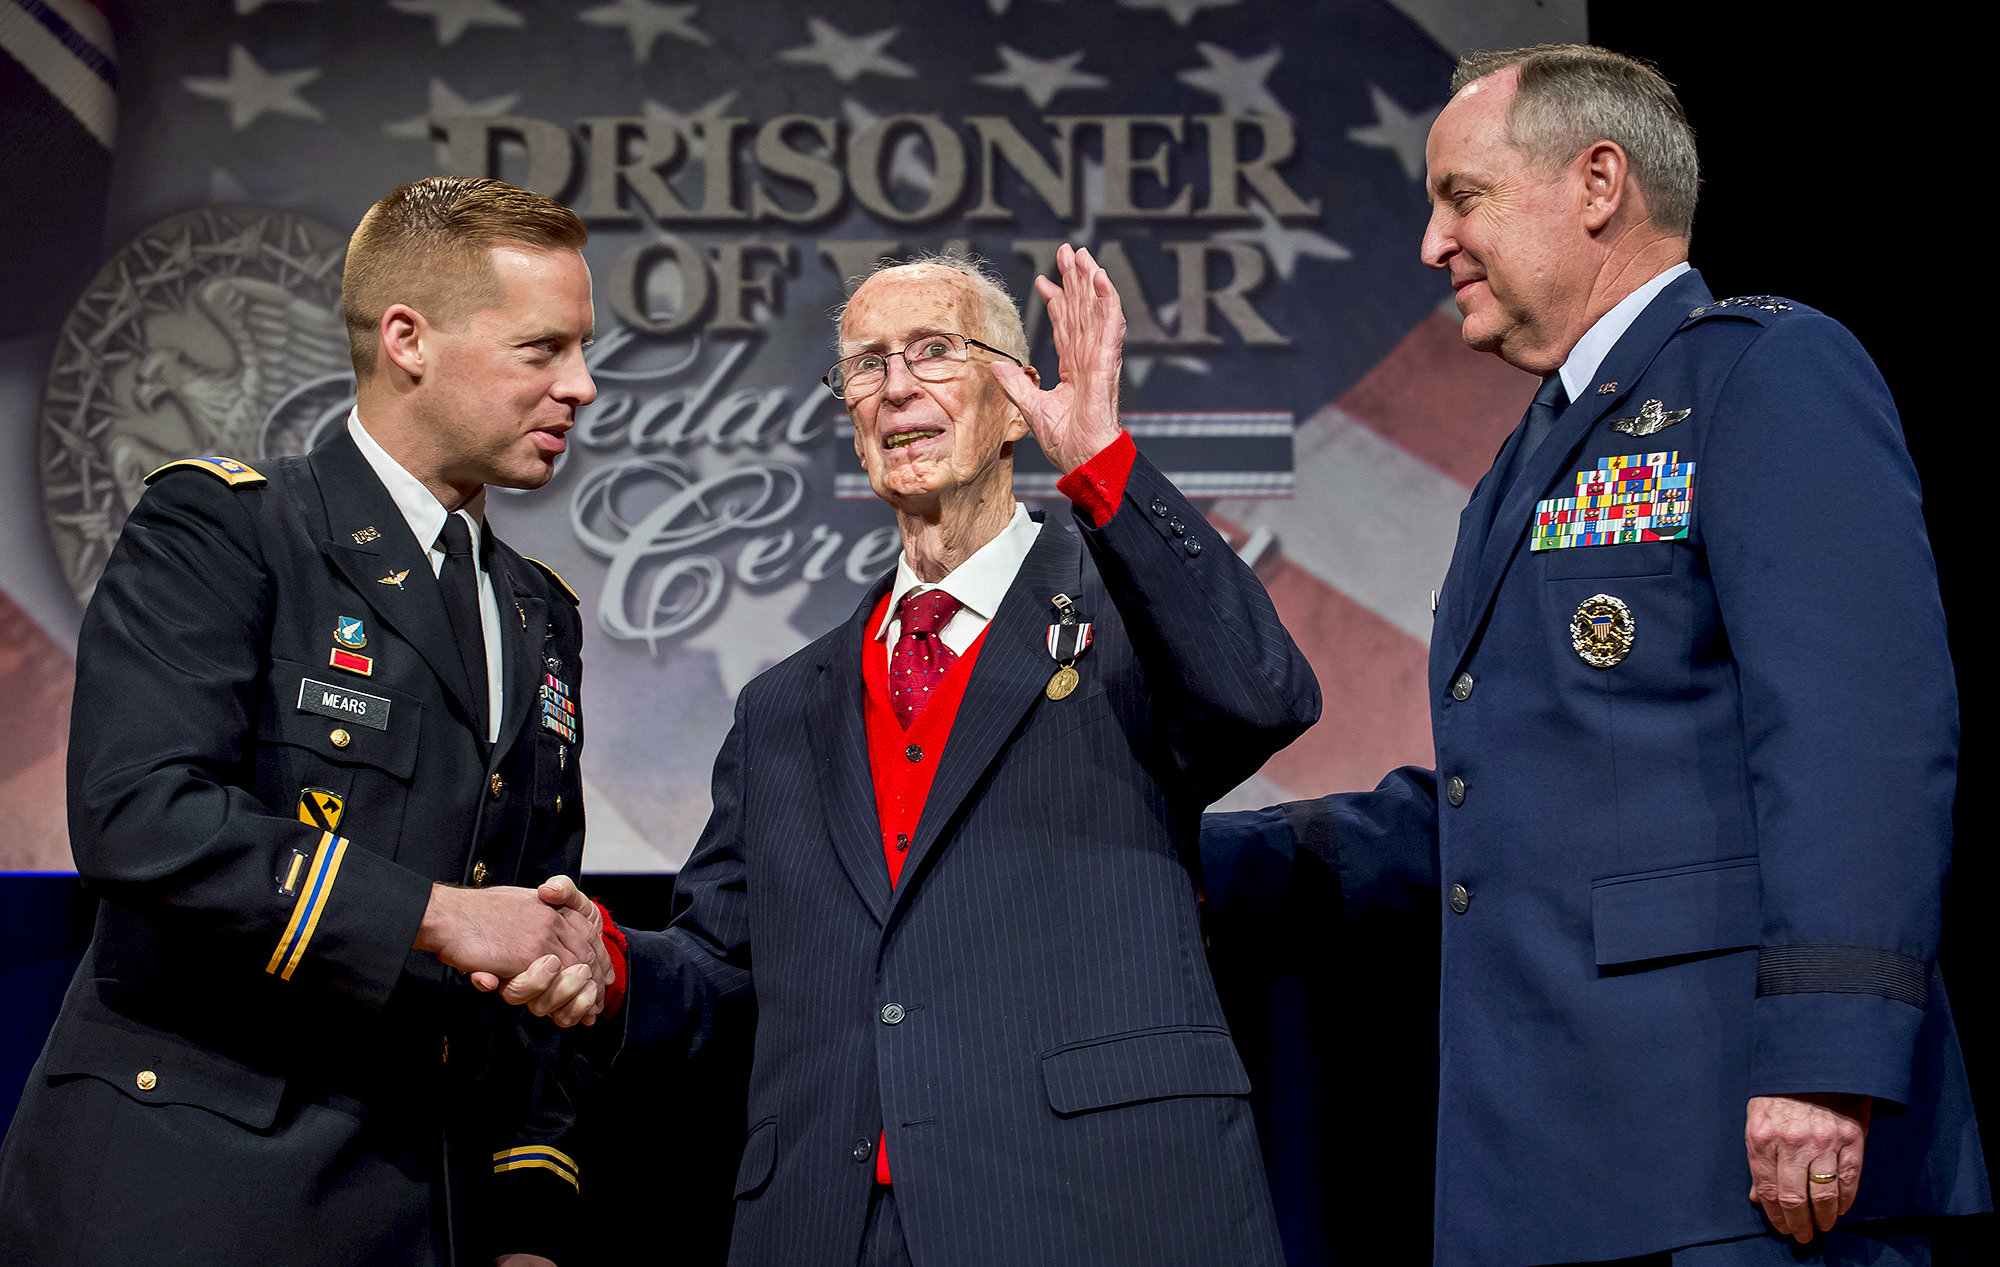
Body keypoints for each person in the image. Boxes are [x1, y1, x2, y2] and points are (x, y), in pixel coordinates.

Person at [1205, 43, 1989, 1266]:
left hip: (1743, 1163)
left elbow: (1857, 743)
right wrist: (1197, 855)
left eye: (1460, 195)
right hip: (1556, 1172)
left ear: (1596, 182)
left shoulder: (1760, 373)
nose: (1429, 243)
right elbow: (1506, 809)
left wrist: (1825, 1065)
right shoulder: (1532, 456)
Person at [513, 244, 1320, 1265]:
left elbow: (1264, 693)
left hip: (1097, 1205)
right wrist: (615, 964)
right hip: (832, 1223)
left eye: (933, 351)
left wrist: (1101, 460)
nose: (894, 386)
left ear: (1011, 395)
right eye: (864, 363)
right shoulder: (780, 710)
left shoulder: (1127, 627)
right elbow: (723, 975)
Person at [0, 176, 610, 1267]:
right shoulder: (225, 527)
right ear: (407, 339)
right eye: (541, 349)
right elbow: (139, 817)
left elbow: (530, 937)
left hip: (426, 1213)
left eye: (581, 349)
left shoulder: (540, 615)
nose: (582, 385)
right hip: (186, 1199)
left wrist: (526, 1221)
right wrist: (434, 914)